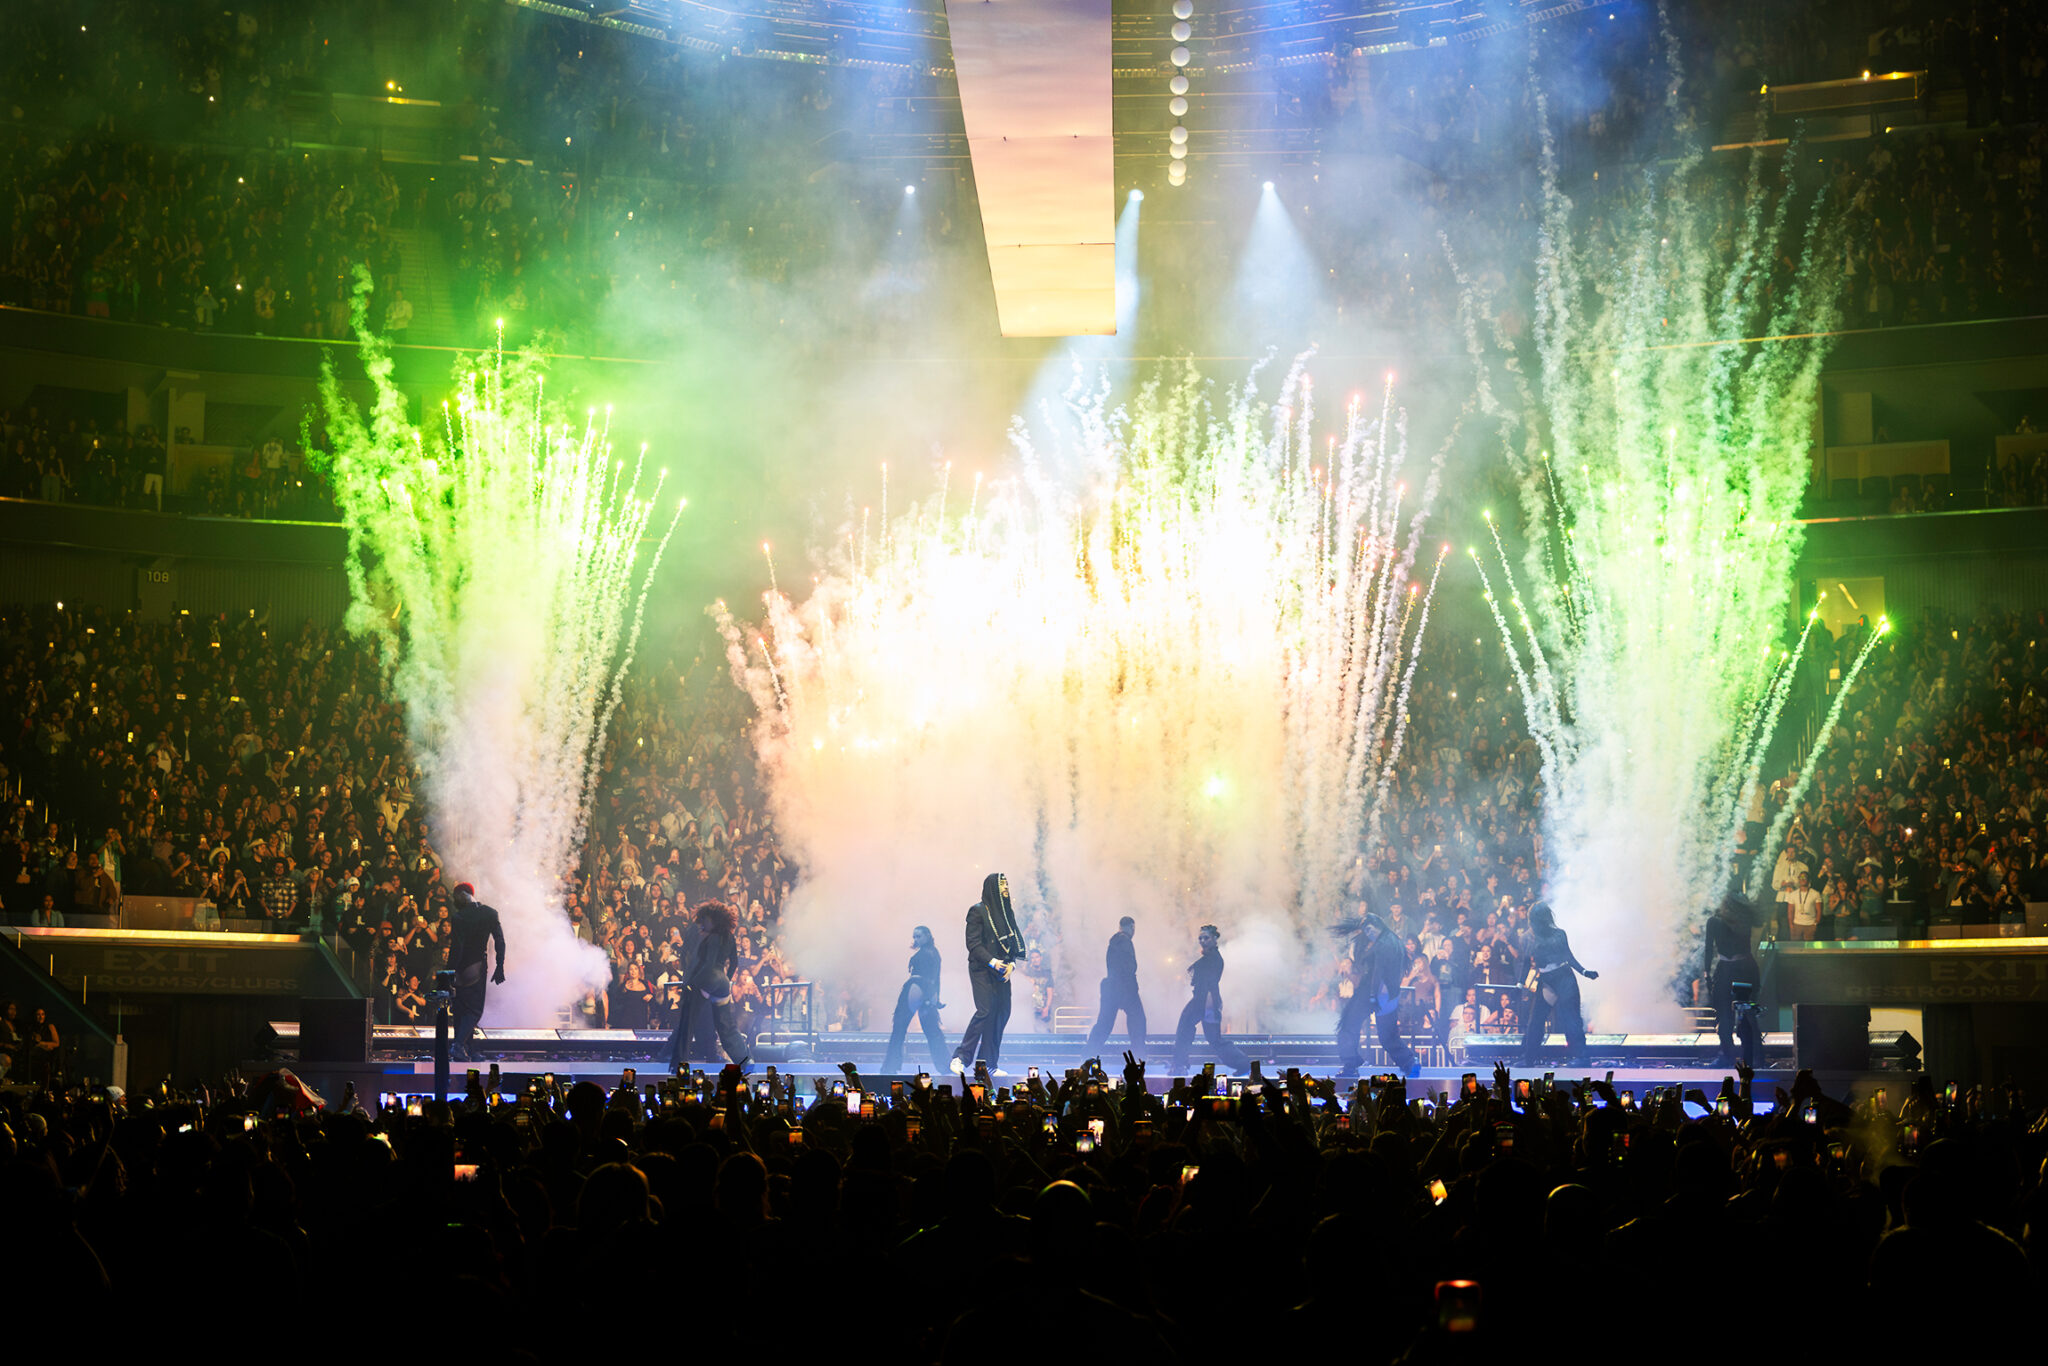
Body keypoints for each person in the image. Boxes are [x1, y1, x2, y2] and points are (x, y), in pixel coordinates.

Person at [952, 873, 1023, 1078]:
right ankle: (961, 1057)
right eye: (1002, 884)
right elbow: (973, 944)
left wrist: (1012, 965)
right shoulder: (977, 911)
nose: (1006, 887)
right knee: (985, 1011)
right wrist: (992, 961)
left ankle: (987, 1064)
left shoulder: (1007, 912)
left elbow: (1012, 944)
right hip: (982, 969)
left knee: (1001, 1013)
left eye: (1007, 883)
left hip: (1002, 971)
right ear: (992, 887)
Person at [669, 900, 749, 1071]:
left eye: (704, 920)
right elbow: (734, 963)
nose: (702, 924)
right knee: (727, 1027)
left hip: (707, 979)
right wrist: (726, 979)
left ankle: (679, 1064)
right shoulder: (729, 936)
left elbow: (707, 964)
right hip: (722, 983)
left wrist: (692, 983)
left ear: (713, 919)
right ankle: (745, 1060)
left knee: (688, 1022)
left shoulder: (711, 938)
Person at [1336, 912, 1417, 1077]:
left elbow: (1379, 972)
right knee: (1384, 1035)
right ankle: (1409, 1062)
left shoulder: (1386, 943)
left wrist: (1374, 995)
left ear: (1378, 926)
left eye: (1370, 929)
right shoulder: (1381, 940)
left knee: (1350, 1025)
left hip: (1377, 991)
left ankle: (1351, 1064)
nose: (1368, 933)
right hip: (1384, 993)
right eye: (1365, 930)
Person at [1517, 901, 1598, 1064]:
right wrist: (1520, 984)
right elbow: (1526, 962)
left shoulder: (1558, 934)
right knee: (1536, 1020)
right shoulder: (1527, 938)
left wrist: (1584, 971)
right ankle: (1529, 1058)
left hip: (1563, 978)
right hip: (1546, 980)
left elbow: (1568, 956)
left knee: (1571, 1019)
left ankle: (1581, 1057)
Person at [1170, 924, 1251, 1076]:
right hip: (1201, 1000)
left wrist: (1209, 1008)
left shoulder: (1214, 959)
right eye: (1200, 938)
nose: (1202, 941)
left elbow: (1210, 984)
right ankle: (1180, 1064)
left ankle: (1243, 1064)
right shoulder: (1208, 958)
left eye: (1206, 938)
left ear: (1214, 939)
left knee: (1209, 1037)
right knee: (1190, 1030)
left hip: (1206, 1001)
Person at [445, 880, 505, 1063]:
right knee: (474, 1010)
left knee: (462, 1010)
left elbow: (457, 948)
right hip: (477, 966)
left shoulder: (459, 917)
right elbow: (500, 940)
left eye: (455, 897)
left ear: (463, 894)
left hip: (461, 968)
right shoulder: (490, 913)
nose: (454, 901)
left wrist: (449, 972)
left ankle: (466, 1048)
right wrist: (499, 966)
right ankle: (460, 1046)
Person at [880, 925, 948, 1074]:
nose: (916, 939)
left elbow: (935, 976)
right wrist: (935, 996)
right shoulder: (932, 952)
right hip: (926, 990)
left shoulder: (928, 953)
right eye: (914, 937)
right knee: (932, 1031)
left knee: (900, 1028)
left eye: (919, 936)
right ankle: (944, 1066)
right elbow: (936, 977)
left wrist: (935, 995)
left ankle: (890, 1066)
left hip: (917, 988)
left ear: (928, 936)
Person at [1705, 893, 1761, 1070]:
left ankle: (1751, 1056)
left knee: (1744, 1015)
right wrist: (1707, 974)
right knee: (1725, 1015)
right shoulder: (1716, 921)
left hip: (1741, 969)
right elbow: (1709, 948)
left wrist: (1707, 974)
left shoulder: (1742, 921)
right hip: (1731, 969)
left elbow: (1710, 948)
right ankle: (1730, 1055)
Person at [1085, 915, 1147, 1055]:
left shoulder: (1113, 942)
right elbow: (1130, 967)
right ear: (1132, 927)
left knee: (1104, 1024)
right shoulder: (1126, 942)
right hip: (1125, 989)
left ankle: (1088, 1055)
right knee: (1138, 1022)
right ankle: (1139, 1056)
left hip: (1111, 988)